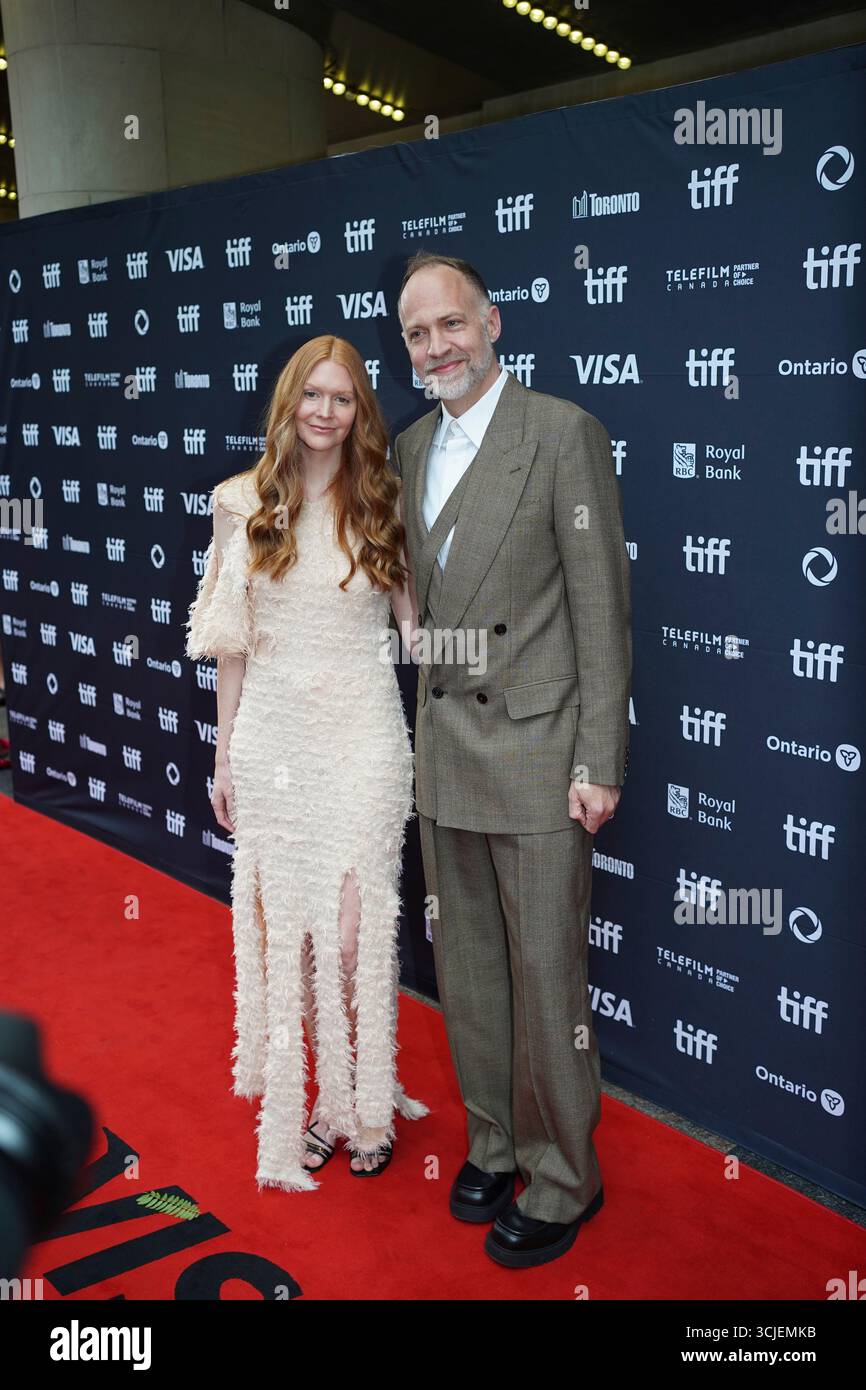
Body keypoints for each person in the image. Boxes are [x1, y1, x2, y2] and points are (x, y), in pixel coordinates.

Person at [390, 251, 632, 1268]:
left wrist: (598, 758)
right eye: (416, 334)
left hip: (538, 753)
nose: (436, 346)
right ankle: (494, 1140)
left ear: (492, 322)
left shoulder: (561, 433)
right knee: (471, 972)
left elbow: (600, 608)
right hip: (447, 750)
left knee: (545, 979)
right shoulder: (407, 446)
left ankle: (565, 1173)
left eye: (451, 323)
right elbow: (425, 612)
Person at [184, 336, 429, 1191]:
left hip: (364, 735)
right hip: (275, 740)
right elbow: (231, 643)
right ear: (288, 403)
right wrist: (225, 754)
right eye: (312, 395)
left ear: (361, 411)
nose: (326, 412)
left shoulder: (382, 499)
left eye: (343, 398)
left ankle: (369, 1097)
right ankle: (331, 1106)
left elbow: (415, 631)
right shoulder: (239, 501)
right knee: (295, 935)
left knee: (355, 933)